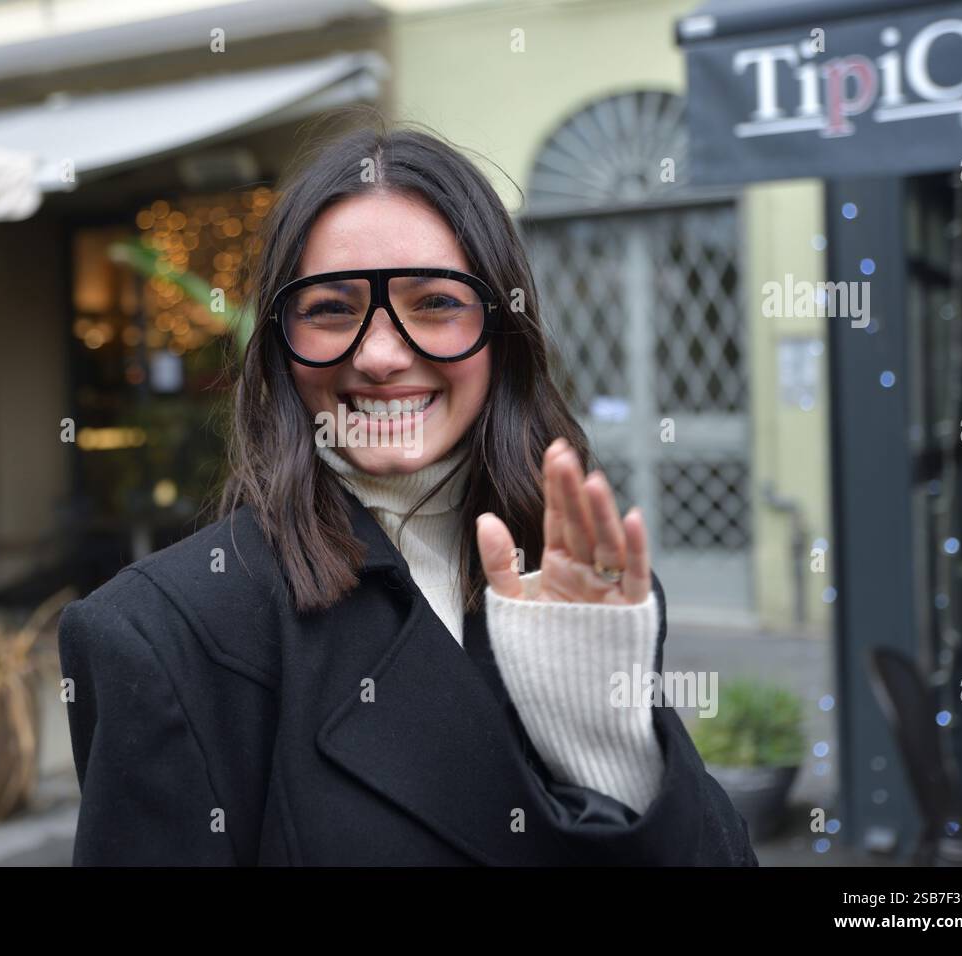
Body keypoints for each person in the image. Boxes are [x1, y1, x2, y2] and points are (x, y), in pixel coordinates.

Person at [58, 120, 757, 866]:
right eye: (331, 310)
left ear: (500, 330)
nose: (383, 355)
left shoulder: (573, 586)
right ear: (278, 347)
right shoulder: (162, 637)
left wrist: (609, 742)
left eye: (435, 303)